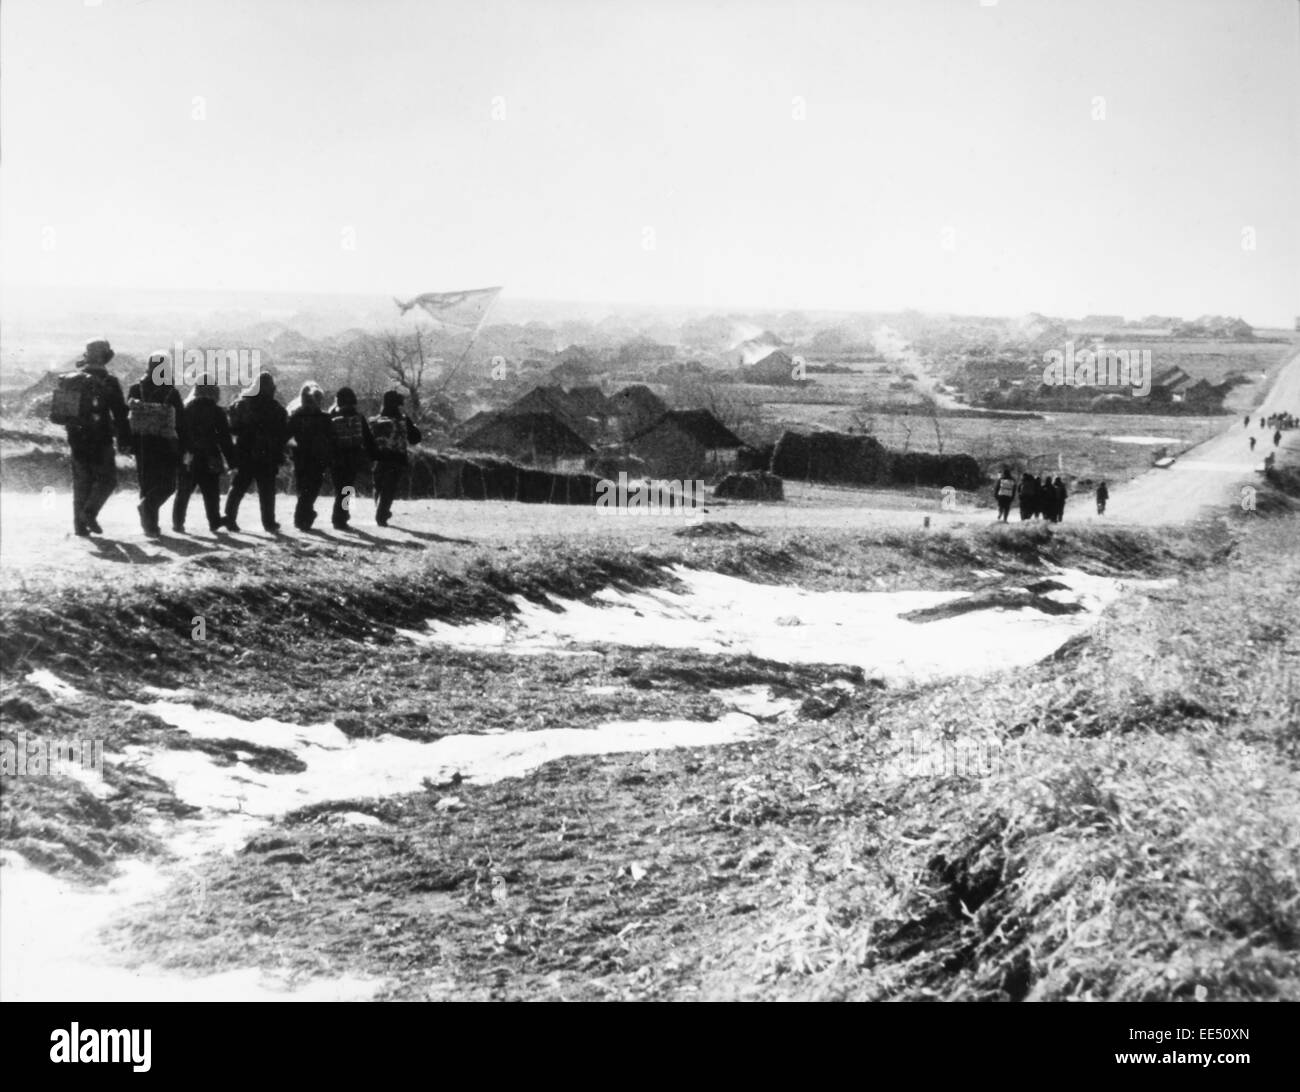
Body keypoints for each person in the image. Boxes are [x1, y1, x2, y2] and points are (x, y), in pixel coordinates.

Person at [56, 340, 131, 537]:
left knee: (82, 483)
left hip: (76, 438)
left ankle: (79, 527)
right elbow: (120, 414)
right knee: (107, 480)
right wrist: (125, 440)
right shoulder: (109, 381)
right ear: (105, 358)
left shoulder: (73, 379)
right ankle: (89, 513)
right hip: (101, 439)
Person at [127, 355, 188, 537]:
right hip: (165, 444)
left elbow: (127, 417)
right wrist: (184, 447)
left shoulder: (135, 389)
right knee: (168, 484)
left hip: (142, 443)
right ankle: (147, 510)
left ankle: (150, 527)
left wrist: (127, 443)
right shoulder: (171, 392)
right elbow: (181, 423)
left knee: (146, 484)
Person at [223, 371, 288, 533]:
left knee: (238, 488)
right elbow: (282, 434)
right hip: (268, 455)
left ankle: (230, 520)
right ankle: (269, 523)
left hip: (246, 452)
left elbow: (233, 429)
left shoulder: (242, 404)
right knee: (267, 491)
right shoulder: (277, 409)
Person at [174, 382, 236, 534]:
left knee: (183, 492)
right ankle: (214, 521)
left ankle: (178, 523)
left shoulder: (185, 409)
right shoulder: (217, 411)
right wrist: (233, 461)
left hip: (189, 456)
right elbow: (225, 439)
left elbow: (179, 433)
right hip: (210, 457)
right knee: (211, 493)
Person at [368, 390, 422, 527]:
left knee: (379, 485)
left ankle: (380, 510)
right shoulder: (403, 420)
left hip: (379, 458)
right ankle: (382, 514)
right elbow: (415, 438)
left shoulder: (376, 420)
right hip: (397, 458)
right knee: (390, 488)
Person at [286, 382, 334, 531]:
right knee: (313, 488)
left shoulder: (296, 417)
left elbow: (286, 436)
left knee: (302, 488)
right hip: (318, 458)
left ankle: (304, 516)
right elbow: (332, 438)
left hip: (300, 457)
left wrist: (292, 449)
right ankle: (302, 517)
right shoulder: (325, 418)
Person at [327, 387, 376, 530]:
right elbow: (368, 439)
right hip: (353, 458)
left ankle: (340, 516)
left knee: (339, 488)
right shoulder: (359, 417)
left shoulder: (331, 416)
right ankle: (341, 516)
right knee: (347, 488)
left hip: (336, 459)